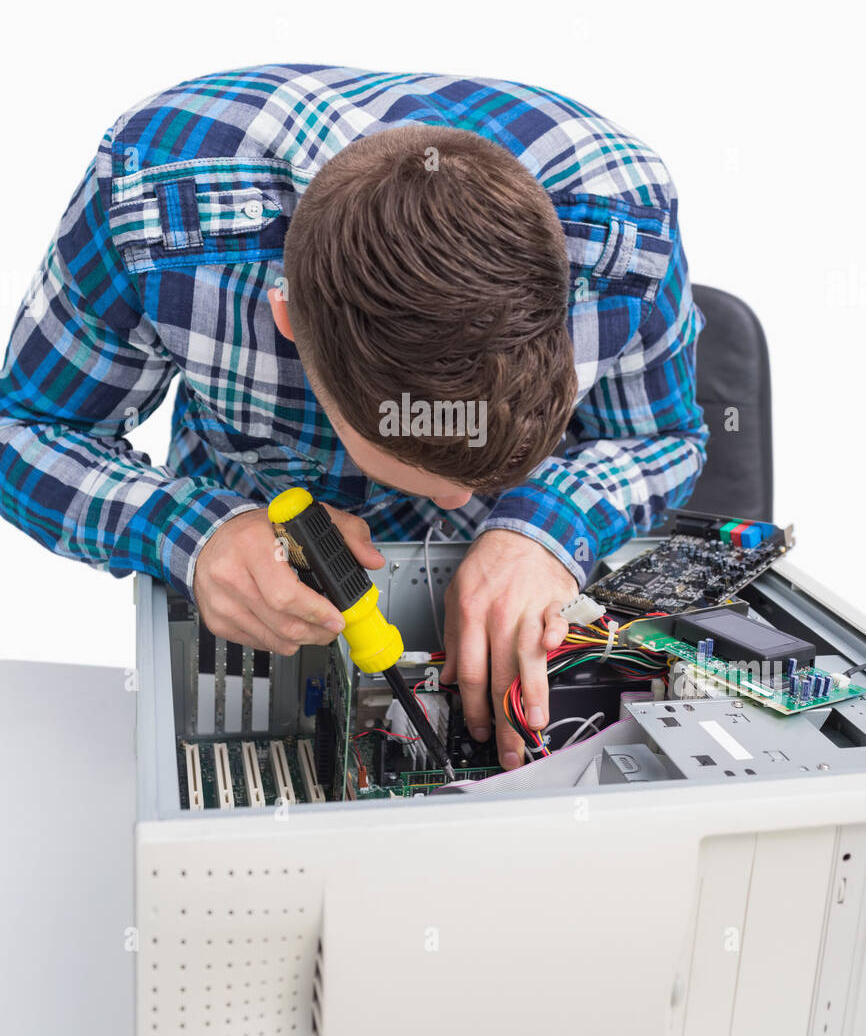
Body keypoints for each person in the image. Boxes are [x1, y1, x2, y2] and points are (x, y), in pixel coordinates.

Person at [0, 63, 708, 767]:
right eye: (422, 467)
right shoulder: (154, 202)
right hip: (252, 633)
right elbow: (26, 430)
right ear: (288, 321)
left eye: (490, 465)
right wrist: (194, 532)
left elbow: (663, 437)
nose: (462, 501)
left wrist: (544, 531)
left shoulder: (621, 229)